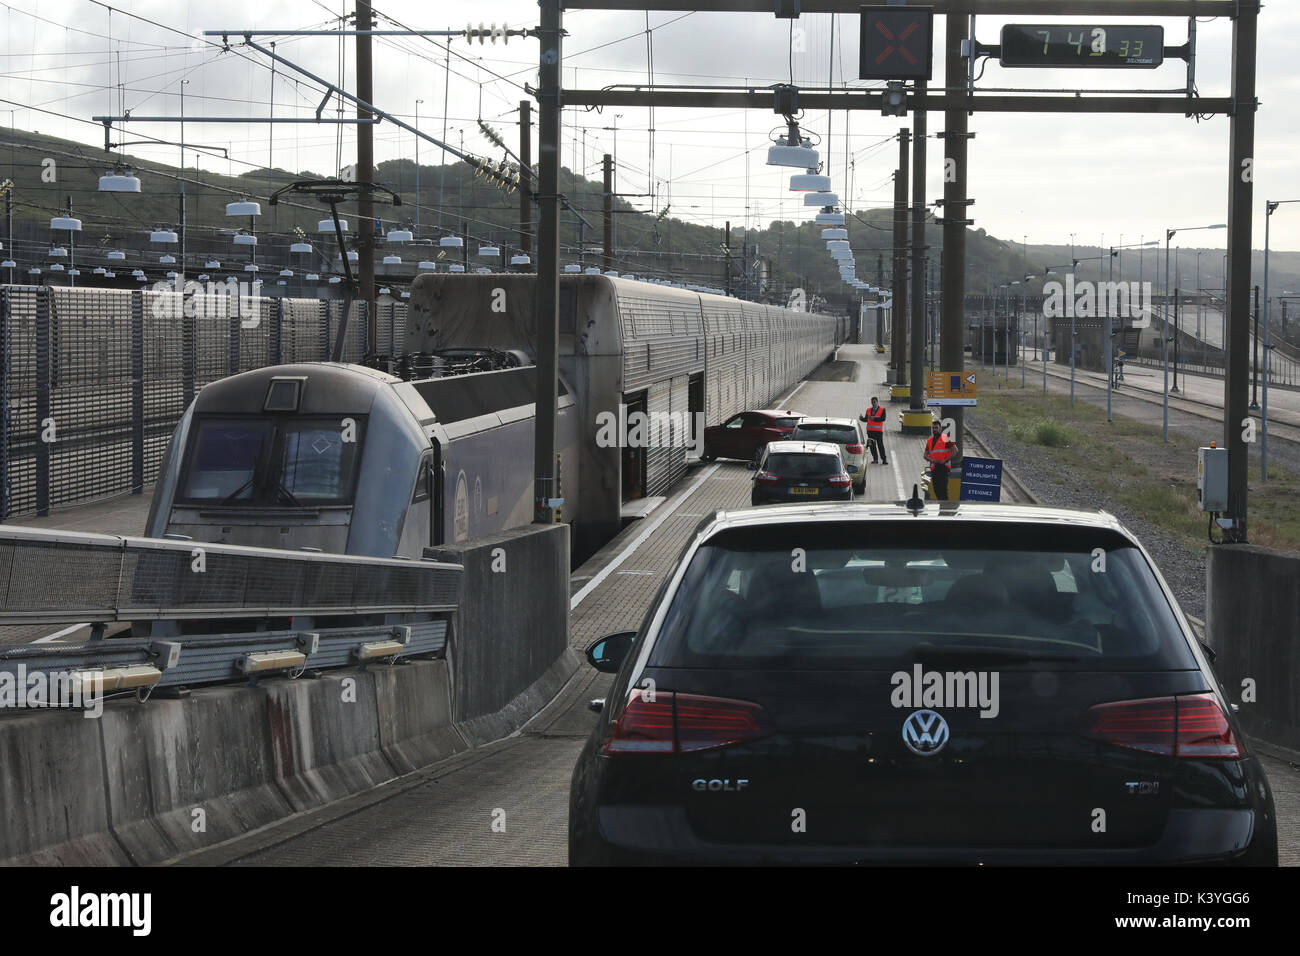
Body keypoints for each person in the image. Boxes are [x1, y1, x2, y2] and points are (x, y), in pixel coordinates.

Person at [923, 418, 958, 500]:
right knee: (936, 490)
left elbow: (955, 450)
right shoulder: (929, 440)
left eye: (936, 428)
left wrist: (945, 460)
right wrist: (931, 459)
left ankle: (946, 509)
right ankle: (942, 508)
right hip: (934, 467)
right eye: (933, 428)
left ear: (940, 429)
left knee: (943, 490)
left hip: (943, 467)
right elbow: (925, 454)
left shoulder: (945, 438)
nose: (934, 430)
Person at [858, 396, 888, 464]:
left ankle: (884, 459)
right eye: (872, 402)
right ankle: (875, 459)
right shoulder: (868, 410)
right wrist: (861, 418)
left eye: (874, 402)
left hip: (878, 432)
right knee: (872, 446)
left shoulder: (882, 409)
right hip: (870, 431)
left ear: (877, 402)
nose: (873, 403)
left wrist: (874, 418)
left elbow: (883, 419)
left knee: (880, 445)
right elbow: (866, 419)